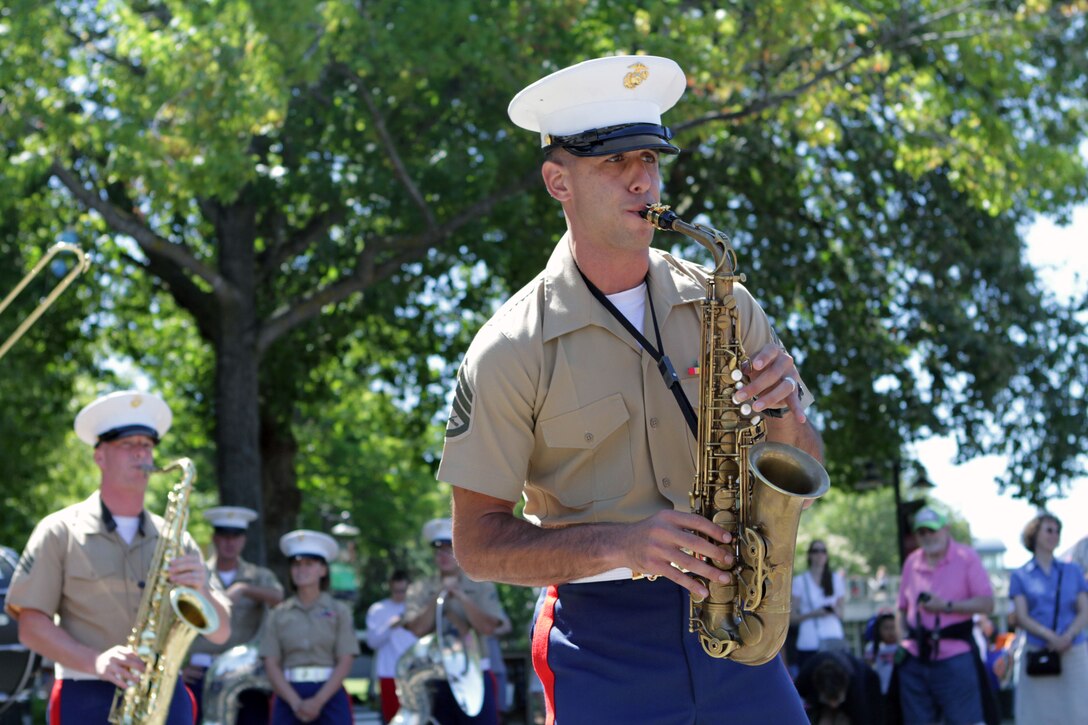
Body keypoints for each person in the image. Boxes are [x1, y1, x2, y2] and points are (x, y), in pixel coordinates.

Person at [437, 55, 824, 723]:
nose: (643, 178)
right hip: (601, 641)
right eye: (615, 163)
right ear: (558, 180)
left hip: (741, 626)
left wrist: (786, 413)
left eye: (649, 157)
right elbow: (477, 544)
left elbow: (803, 461)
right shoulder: (507, 348)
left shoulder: (727, 305)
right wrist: (622, 542)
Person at [3, 390, 232, 723]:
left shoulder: (177, 538)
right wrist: (95, 660)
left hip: (165, 698)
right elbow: (30, 627)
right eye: (128, 444)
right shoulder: (59, 531)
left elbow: (221, 632)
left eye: (148, 444)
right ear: (100, 456)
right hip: (89, 693)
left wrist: (203, 590)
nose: (142, 453)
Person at [896, 506, 997, 725]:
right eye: (922, 532)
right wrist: (902, 643)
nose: (927, 536)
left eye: (932, 530)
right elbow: (901, 608)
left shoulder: (966, 557)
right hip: (915, 659)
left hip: (955, 658)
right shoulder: (912, 562)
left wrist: (947, 606)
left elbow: (988, 604)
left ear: (946, 529)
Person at [185, 505, 284, 724]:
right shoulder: (197, 575)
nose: (230, 542)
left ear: (244, 540)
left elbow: (278, 597)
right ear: (214, 538)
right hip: (201, 671)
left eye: (236, 536)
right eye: (223, 535)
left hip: (243, 675)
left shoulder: (257, 575)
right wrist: (181, 667)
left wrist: (244, 589)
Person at [401, 518, 506, 725]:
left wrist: (460, 596)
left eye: (450, 548)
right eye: (439, 549)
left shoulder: (482, 585)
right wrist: (438, 595)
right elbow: (417, 629)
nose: (443, 555)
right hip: (434, 676)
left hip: (474, 673)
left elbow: (488, 627)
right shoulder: (419, 588)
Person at [261, 529, 358, 724]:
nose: (301, 570)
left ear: (323, 570)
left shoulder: (339, 611)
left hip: (329, 694)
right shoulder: (278, 614)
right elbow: (271, 663)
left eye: (309, 564)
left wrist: (318, 701)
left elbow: (345, 659)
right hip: (288, 694)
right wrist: (296, 703)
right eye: (296, 564)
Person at [1008, 513, 1088, 724]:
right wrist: (1050, 637)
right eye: (1048, 530)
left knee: (1078, 712)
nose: (1054, 535)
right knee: (1036, 715)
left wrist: (1067, 636)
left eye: (1057, 531)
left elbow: (1085, 610)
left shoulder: (1073, 571)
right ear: (1034, 535)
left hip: (1074, 651)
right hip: (1037, 651)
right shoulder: (1020, 575)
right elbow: (1021, 616)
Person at [365, 569, 418, 724]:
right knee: (392, 719)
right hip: (389, 673)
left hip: (414, 673)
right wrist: (391, 625)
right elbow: (372, 642)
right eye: (396, 591)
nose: (399, 595)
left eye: (403, 591)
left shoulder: (418, 609)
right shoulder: (378, 609)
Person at [792, 540, 847, 668]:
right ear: (809, 555)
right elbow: (791, 618)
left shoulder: (836, 579)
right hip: (809, 641)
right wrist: (814, 614)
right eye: (816, 551)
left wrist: (832, 609)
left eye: (823, 551)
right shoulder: (799, 581)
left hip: (833, 638)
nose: (820, 554)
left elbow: (842, 614)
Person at [793, 649, 885, 725]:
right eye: (829, 700)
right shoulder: (805, 677)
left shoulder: (857, 684)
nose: (833, 705)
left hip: (863, 685)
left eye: (836, 700)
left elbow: (862, 718)